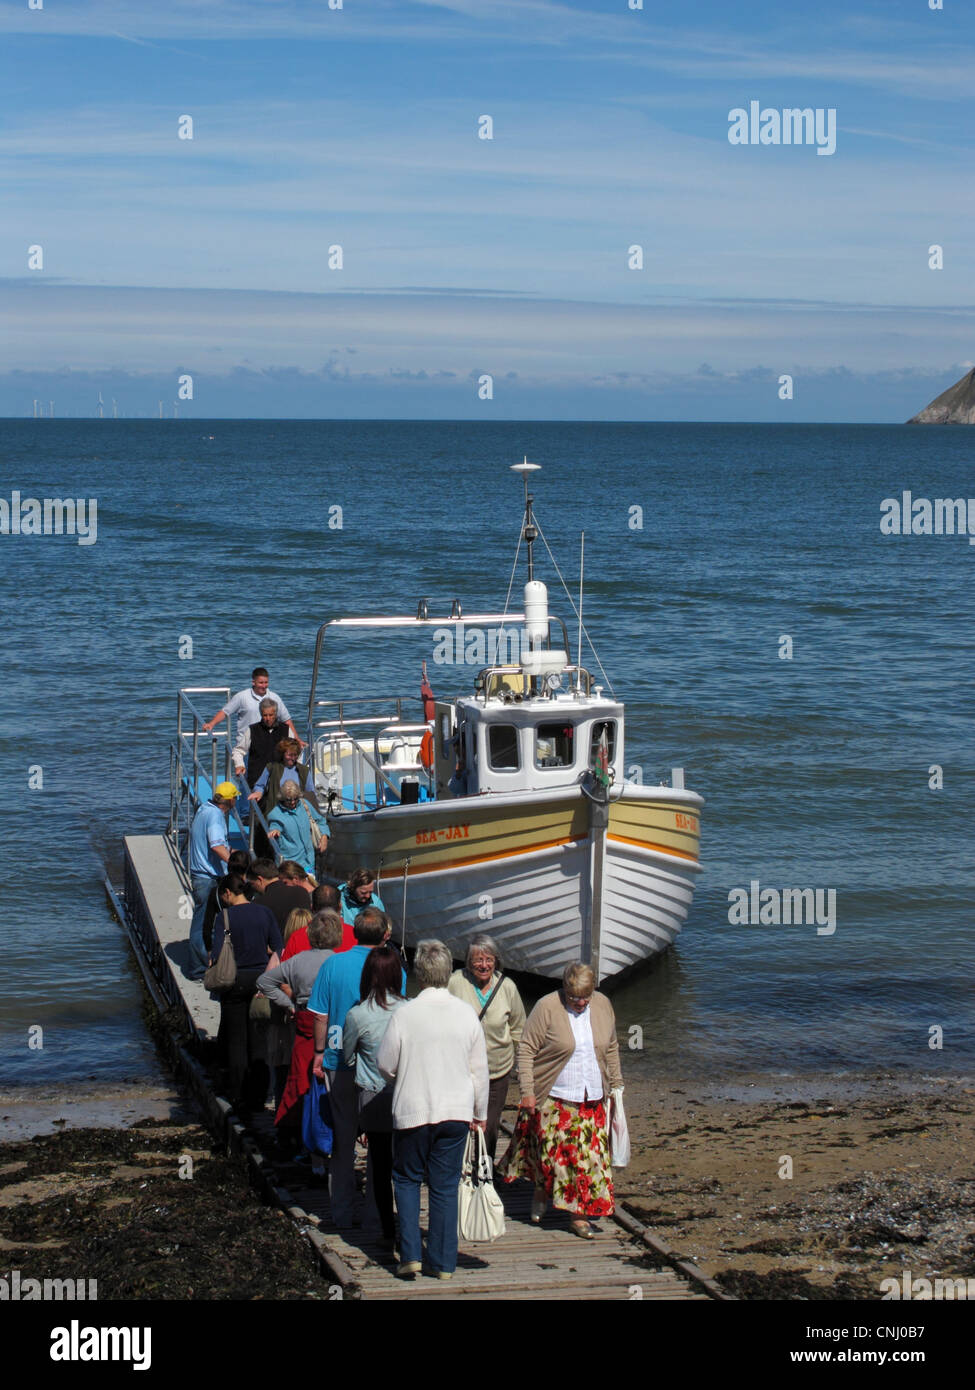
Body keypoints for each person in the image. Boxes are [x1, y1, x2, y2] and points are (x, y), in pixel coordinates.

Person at [377, 939, 489, 1280]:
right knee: (444, 1185)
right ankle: (442, 1261)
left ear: (419, 975)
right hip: (455, 1111)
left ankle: (410, 1253)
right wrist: (480, 1113)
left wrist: (402, 1077)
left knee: (407, 1179)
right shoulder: (466, 1013)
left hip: (414, 1108)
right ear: (447, 973)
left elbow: (384, 1063)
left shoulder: (404, 1014)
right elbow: (479, 1071)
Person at [498, 961, 622, 1239]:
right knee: (554, 1158)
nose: (579, 1002)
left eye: (584, 997)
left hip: (593, 1098)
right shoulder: (547, 1006)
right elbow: (527, 1050)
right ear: (564, 990)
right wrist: (527, 1091)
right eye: (573, 997)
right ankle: (542, 1190)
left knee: (588, 1162)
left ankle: (578, 1216)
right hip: (556, 1097)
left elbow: (611, 1046)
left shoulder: (602, 1005)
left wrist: (617, 1084)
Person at [309, 908, 405, 1228]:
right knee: (380, 1140)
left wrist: (319, 1052)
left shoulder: (333, 963)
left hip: (339, 1058)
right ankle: (376, 1212)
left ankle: (341, 1211)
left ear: (355, 932)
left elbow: (320, 1015)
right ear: (384, 935)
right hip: (381, 1064)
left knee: (343, 1138)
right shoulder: (393, 967)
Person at [257, 911, 344, 1143]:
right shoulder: (339, 962)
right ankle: (327, 1129)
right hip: (333, 1022)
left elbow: (264, 982)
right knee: (333, 1078)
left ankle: (292, 1130)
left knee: (298, 1078)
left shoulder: (298, 960)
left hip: (304, 1017)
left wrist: (289, 1004)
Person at [342, 944, 408, 1242]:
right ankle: (407, 1226)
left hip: (372, 1098)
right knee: (406, 1166)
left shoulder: (357, 1014)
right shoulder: (410, 1009)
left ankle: (386, 1229)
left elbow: (347, 1056)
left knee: (379, 1168)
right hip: (406, 1096)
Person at [448, 934, 526, 1162]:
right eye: (478, 960)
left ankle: (485, 1172)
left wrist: (523, 1069)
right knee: (460, 1124)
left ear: (496, 961)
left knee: (489, 1127)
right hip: (462, 1070)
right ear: (468, 962)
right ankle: (457, 1171)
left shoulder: (507, 988)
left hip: (497, 1070)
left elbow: (519, 1029)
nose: (484, 965)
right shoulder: (455, 982)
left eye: (488, 960)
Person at [210, 873, 283, 1112]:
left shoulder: (225, 916)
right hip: (261, 978)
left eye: (223, 895)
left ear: (228, 893)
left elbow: (219, 951)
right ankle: (259, 1094)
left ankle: (238, 1093)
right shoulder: (264, 912)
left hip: (234, 980)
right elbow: (278, 946)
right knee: (259, 1037)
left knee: (236, 1039)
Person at [187, 781, 238, 978]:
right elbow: (217, 846)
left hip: (200, 873)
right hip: (207, 877)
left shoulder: (204, 809)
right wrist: (233, 864)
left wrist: (234, 852)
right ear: (230, 800)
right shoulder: (216, 816)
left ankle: (206, 963)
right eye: (236, 798)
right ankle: (200, 968)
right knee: (203, 924)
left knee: (205, 922)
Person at [201, 667, 300, 745]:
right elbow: (225, 712)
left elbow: (286, 720)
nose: (264, 686)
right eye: (261, 683)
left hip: (269, 744)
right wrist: (211, 724)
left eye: (266, 682)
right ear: (254, 682)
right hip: (246, 744)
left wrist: (296, 739)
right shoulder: (242, 696)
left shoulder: (275, 698)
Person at [267, 782, 328, 879]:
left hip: (309, 861)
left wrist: (324, 837)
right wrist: (275, 831)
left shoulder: (304, 804)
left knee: (309, 888)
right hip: (290, 865)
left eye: (295, 799)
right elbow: (275, 825)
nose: (292, 802)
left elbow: (320, 821)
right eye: (288, 800)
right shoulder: (276, 813)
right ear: (282, 798)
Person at [249, 738, 320, 816]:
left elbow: (311, 794)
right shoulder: (271, 768)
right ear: (282, 753)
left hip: (298, 813)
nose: (293, 758)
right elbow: (260, 785)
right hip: (276, 812)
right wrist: (258, 792)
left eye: (295, 755)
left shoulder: (304, 771)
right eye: (290, 755)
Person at [202, 848, 253, 956]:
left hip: (225, 946)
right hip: (248, 945)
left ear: (229, 865)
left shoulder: (216, 891)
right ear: (248, 868)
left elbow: (207, 926)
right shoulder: (251, 891)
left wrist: (210, 950)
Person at [232, 698, 290, 786]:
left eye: (271, 715)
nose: (268, 718)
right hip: (257, 781)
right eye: (265, 715)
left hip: (281, 780)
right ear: (261, 714)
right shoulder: (252, 730)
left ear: (276, 714)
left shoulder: (286, 730)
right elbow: (238, 751)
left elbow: (297, 751)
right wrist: (239, 764)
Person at [248, 858, 312, 933]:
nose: (253, 888)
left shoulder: (258, 905)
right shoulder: (301, 892)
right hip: (304, 942)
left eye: (252, 884)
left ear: (260, 880)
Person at [283, 885, 343, 960]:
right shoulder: (356, 937)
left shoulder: (297, 938)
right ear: (340, 906)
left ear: (312, 908)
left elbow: (285, 969)